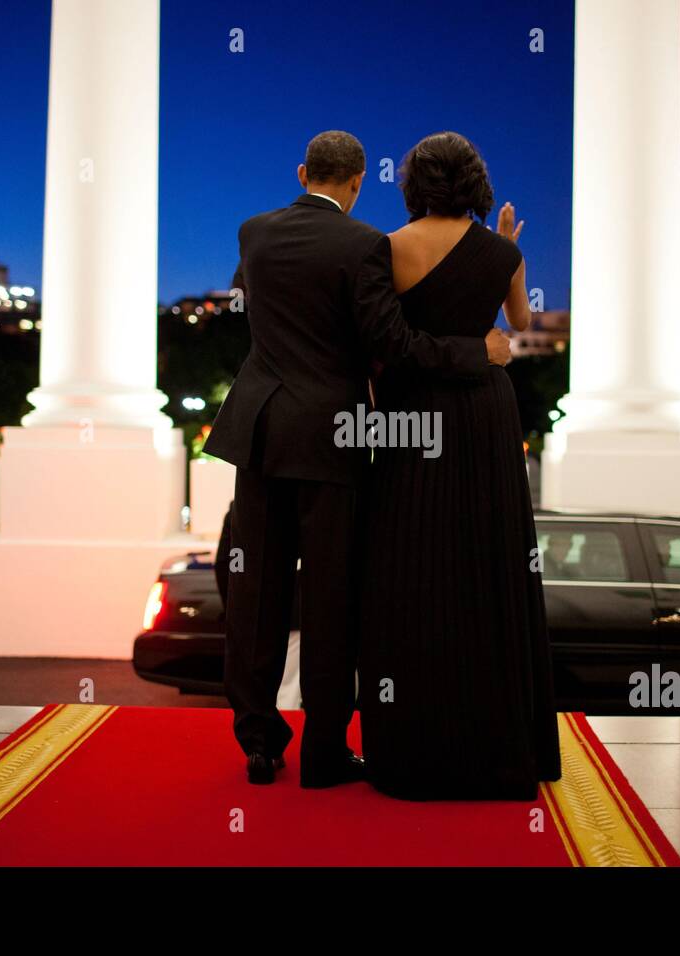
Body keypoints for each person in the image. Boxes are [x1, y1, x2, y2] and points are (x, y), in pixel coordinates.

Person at [204, 131, 513, 787]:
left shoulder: (253, 232)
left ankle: (259, 744)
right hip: (331, 439)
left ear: (302, 172)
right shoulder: (365, 244)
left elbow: (258, 310)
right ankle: (323, 754)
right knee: (330, 600)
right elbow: (391, 341)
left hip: (260, 431)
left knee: (255, 592)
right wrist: (473, 353)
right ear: (357, 182)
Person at [358, 131, 561, 800]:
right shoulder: (505, 251)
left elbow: (384, 342)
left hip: (413, 415)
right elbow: (520, 322)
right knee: (490, 563)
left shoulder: (388, 249)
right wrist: (503, 241)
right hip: (484, 415)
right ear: (476, 181)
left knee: (410, 568)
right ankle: (496, 753)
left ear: (413, 182)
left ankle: (415, 751)